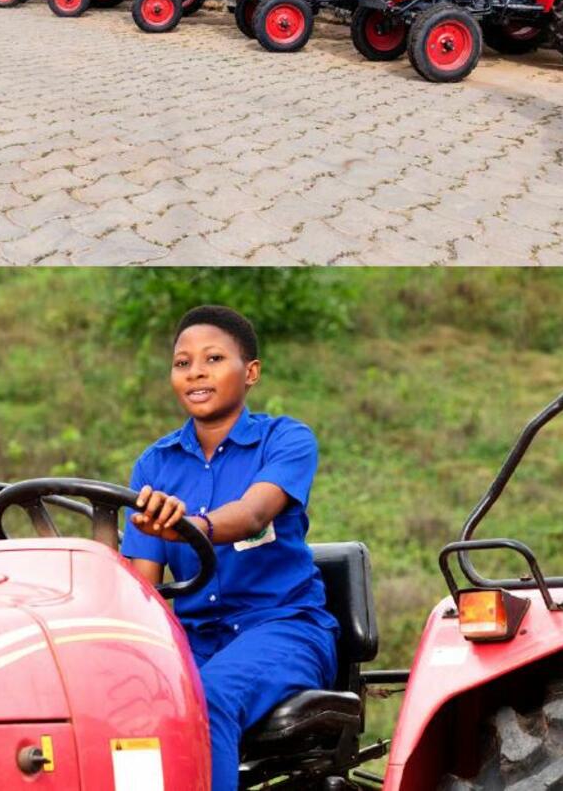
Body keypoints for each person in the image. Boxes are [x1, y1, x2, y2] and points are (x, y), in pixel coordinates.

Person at [122, 305, 339, 791]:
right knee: (128, 705)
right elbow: (142, 591)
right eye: (183, 363)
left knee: (206, 698)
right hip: (192, 639)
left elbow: (254, 513)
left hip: (283, 628)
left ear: (251, 372)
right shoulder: (154, 465)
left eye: (214, 358)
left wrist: (189, 528)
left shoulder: (285, 439)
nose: (196, 371)